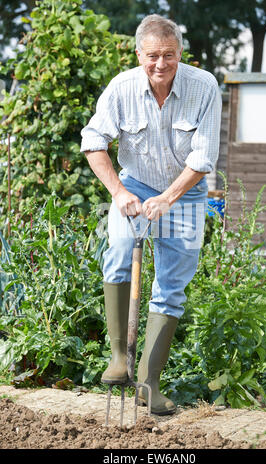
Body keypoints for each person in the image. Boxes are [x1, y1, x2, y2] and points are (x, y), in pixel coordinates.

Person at [80, 14, 222, 415]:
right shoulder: (121, 88)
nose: (161, 64)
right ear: (139, 53)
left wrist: (171, 197)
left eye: (170, 55)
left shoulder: (204, 86)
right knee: (119, 254)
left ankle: (147, 382)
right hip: (135, 186)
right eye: (153, 56)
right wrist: (119, 191)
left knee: (172, 286)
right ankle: (119, 359)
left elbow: (204, 155)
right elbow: (93, 141)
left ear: (181, 53)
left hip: (187, 192)